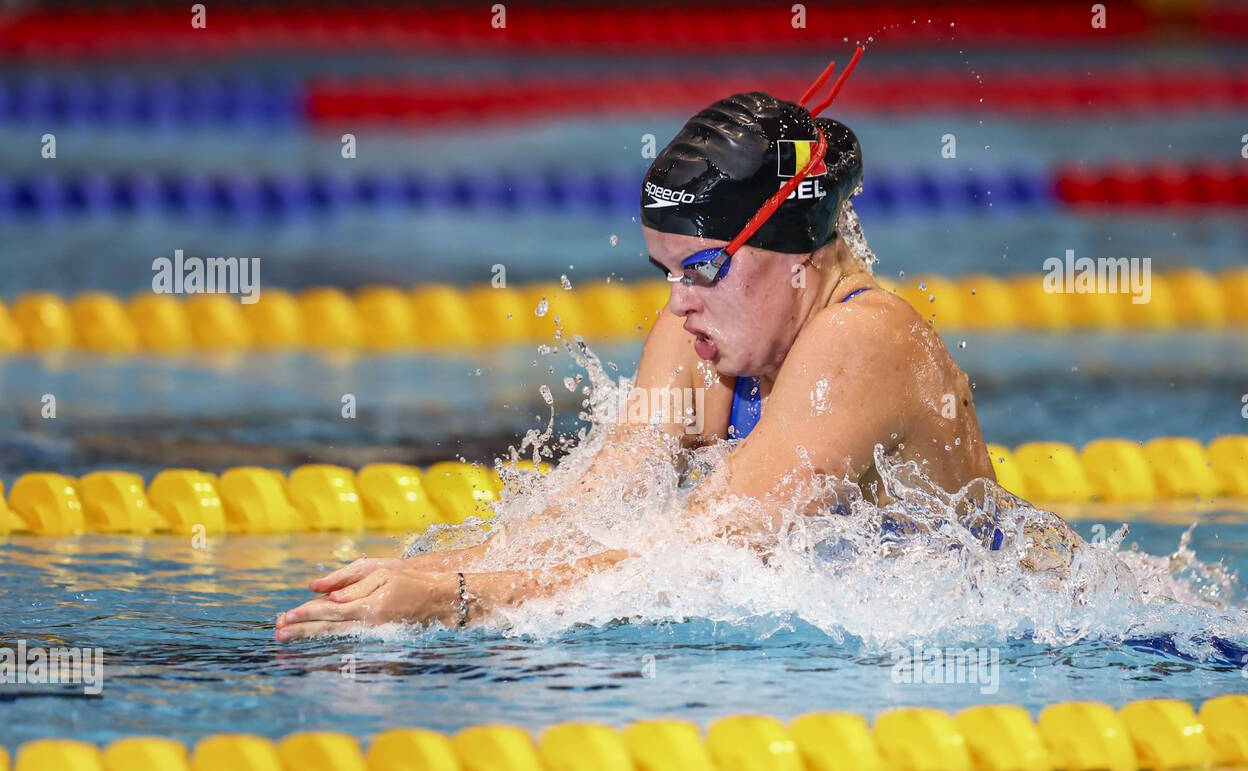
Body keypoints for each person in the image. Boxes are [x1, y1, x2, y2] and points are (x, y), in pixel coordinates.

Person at [276, 50, 1000, 641]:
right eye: (669, 273)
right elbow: (591, 511)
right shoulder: (703, 334)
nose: (680, 301)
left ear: (797, 254)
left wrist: (456, 600)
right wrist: (415, 578)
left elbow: (703, 551)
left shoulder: (864, 339)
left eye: (706, 269)